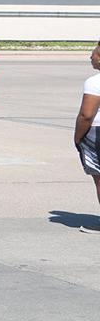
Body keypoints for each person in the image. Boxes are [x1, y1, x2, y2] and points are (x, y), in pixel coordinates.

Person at [74, 41, 100, 233]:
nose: (91, 57)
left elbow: (87, 115)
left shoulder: (95, 82)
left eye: (94, 54)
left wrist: (78, 137)